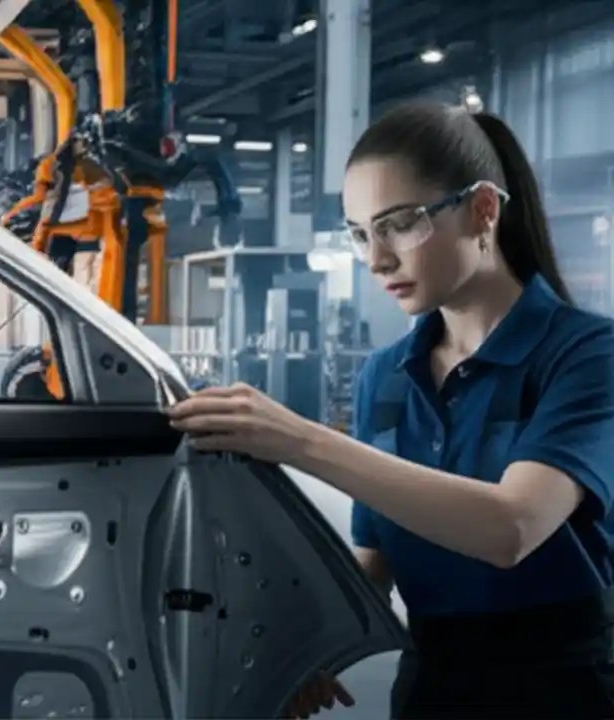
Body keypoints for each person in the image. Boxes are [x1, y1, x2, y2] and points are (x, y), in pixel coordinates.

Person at [168, 100, 614, 720]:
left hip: (559, 693)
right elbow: (374, 559)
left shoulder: (587, 354)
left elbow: (511, 528)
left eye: (399, 223)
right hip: (430, 688)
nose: (376, 259)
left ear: (483, 210)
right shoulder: (387, 374)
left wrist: (300, 440)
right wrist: (309, 651)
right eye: (360, 234)